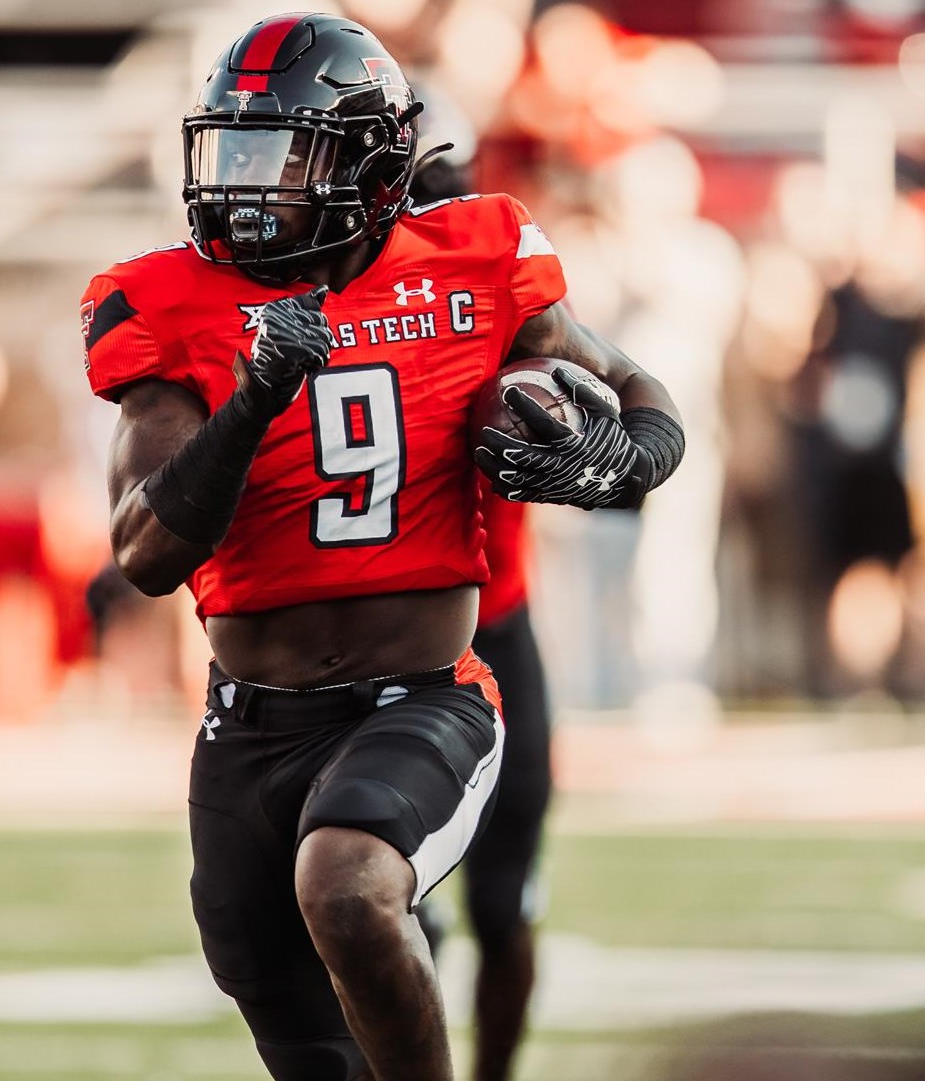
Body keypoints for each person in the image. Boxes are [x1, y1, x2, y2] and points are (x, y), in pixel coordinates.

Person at [80, 13, 686, 1080]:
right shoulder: (169, 302)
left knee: (349, 884)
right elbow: (145, 552)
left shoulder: (475, 259)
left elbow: (645, 401)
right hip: (250, 726)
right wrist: (254, 400)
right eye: (236, 151)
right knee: (299, 1023)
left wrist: (613, 464)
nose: (247, 186)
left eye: (286, 156)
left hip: (424, 693)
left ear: (370, 164)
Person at [403, 154, 553, 1081]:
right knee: (381, 912)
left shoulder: (512, 322)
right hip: (391, 650)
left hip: (490, 632)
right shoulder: (339, 317)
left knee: (503, 905)